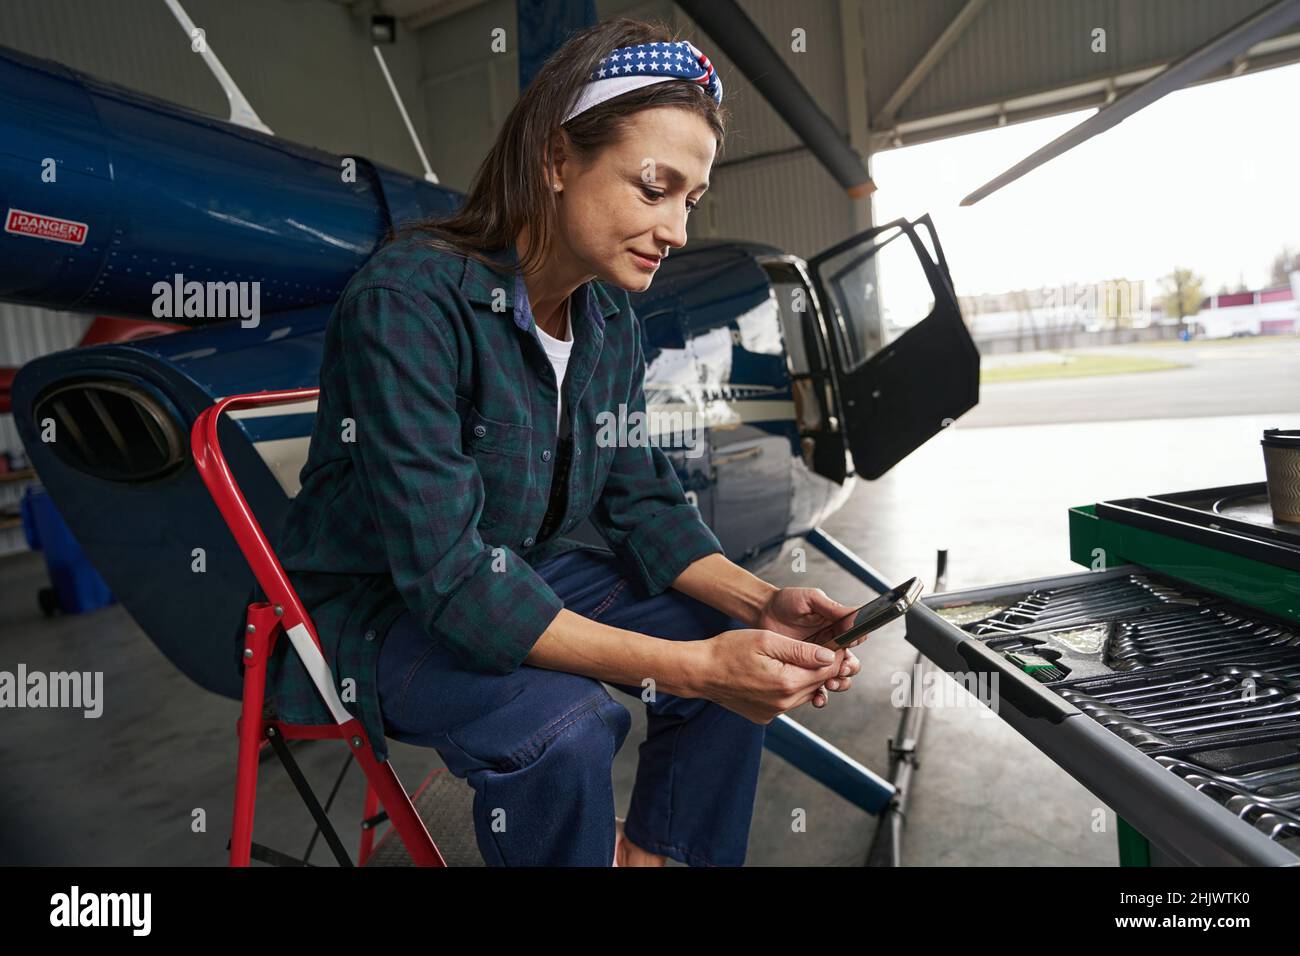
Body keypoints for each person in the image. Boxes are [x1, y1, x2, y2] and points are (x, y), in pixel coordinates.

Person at [273, 16, 867, 867]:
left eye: (691, 203)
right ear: (556, 160)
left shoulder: (607, 319)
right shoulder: (407, 301)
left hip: (516, 563)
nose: (678, 231)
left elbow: (645, 505)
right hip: (379, 607)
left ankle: (660, 857)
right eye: (653, 189)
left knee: (723, 655)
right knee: (570, 726)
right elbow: (449, 577)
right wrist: (697, 666)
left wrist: (754, 604)